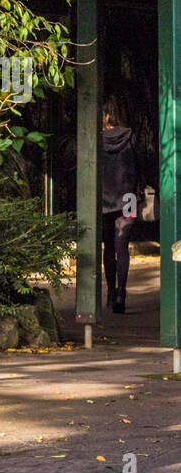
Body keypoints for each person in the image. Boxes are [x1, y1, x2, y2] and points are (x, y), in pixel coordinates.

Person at [101, 98, 143, 314]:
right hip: (128, 197)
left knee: (108, 247)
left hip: (105, 199)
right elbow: (140, 164)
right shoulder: (129, 136)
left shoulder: (97, 140)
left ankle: (109, 293)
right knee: (122, 246)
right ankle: (121, 293)